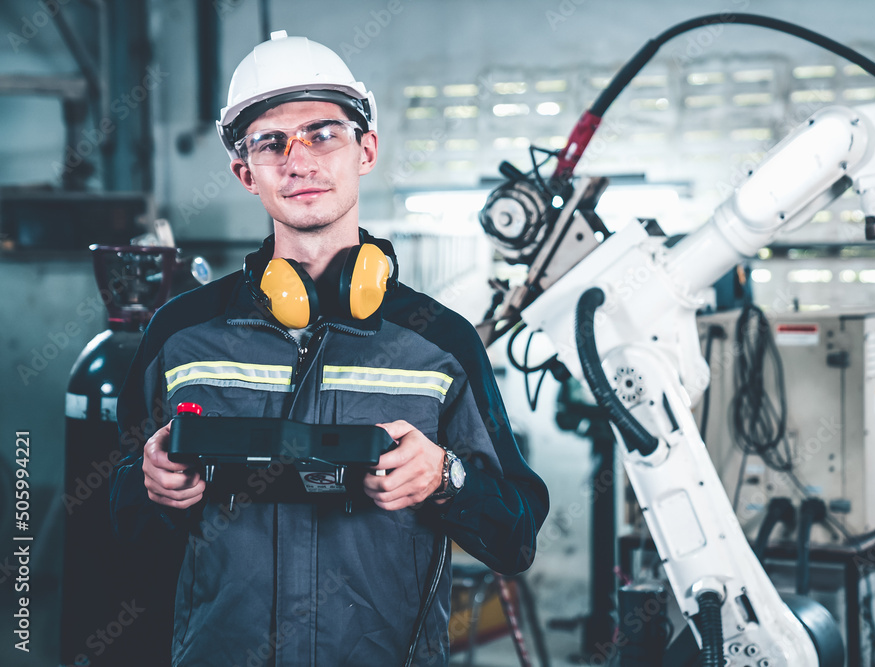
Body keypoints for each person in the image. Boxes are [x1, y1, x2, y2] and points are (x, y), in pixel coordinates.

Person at [110, 31, 548, 667]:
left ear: (365, 150)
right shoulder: (182, 333)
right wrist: (150, 487)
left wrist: (446, 477)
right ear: (244, 172)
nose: (298, 160)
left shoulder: (438, 342)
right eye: (270, 143)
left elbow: (515, 537)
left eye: (323, 133)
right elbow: (122, 526)